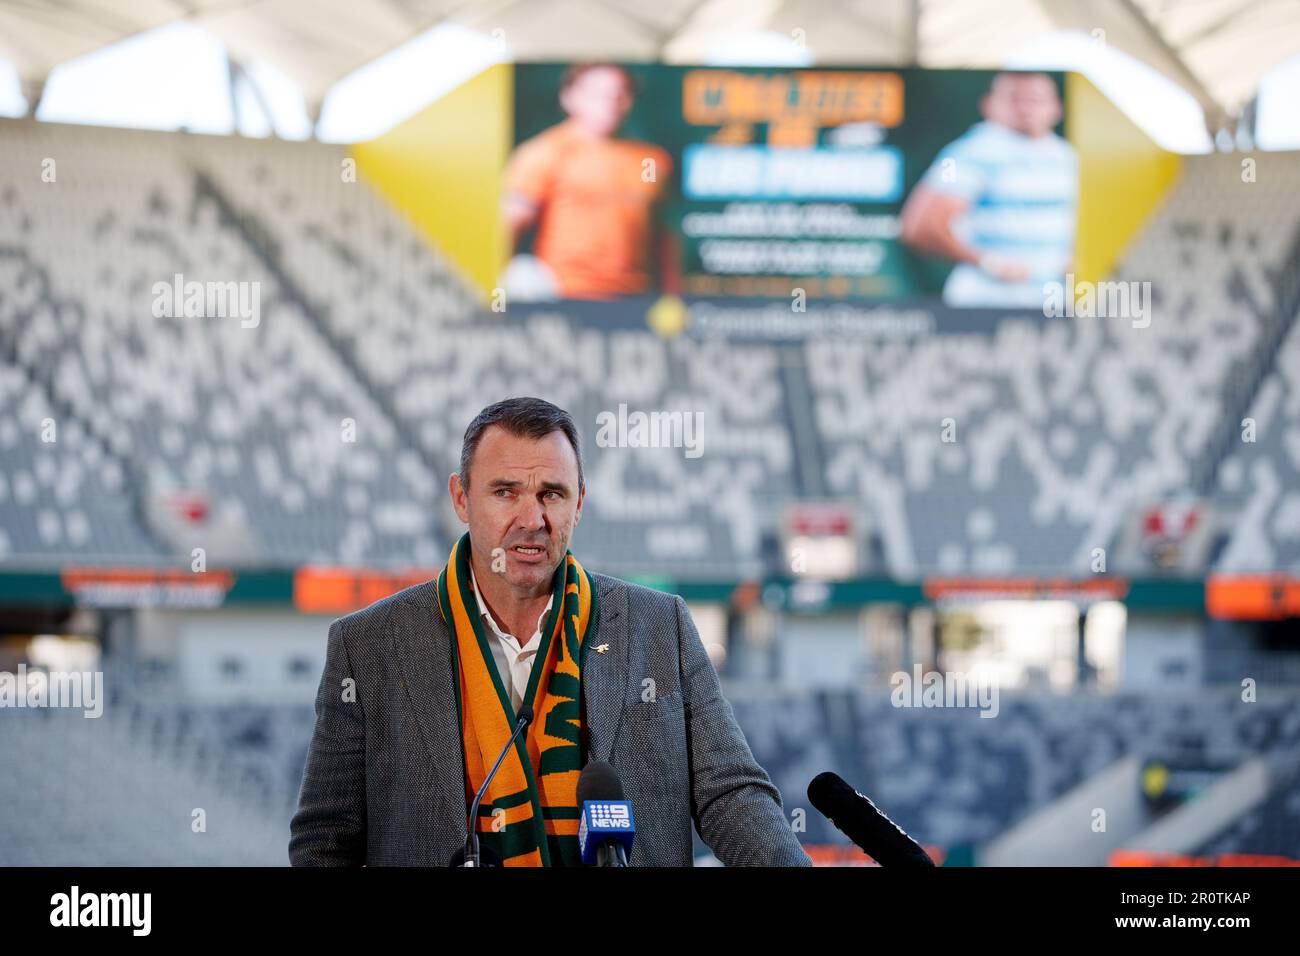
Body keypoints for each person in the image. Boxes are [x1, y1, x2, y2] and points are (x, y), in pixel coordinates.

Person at [289, 397, 809, 866]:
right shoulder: (369, 646)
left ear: (578, 502)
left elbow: (731, 794)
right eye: (505, 491)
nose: (531, 517)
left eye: (551, 494)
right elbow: (325, 842)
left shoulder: (660, 626)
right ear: (462, 499)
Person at [899, 71, 1077, 307]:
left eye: (1035, 99)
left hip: (1052, 303)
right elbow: (920, 227)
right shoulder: (970, 153)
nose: (1024, 108)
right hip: (986, 302)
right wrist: (989, 263)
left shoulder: (1068, 156)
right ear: (987, 105)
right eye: (1013, 99)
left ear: (1057, 107)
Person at [501, 64, 679, 300]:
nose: (610, 102)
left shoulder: (650, 161)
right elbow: (509, 225)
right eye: (599, 93)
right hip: (563, 298)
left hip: (634, 302)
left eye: (620, 92)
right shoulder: (544, 152)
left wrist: (675, 299)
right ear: (570, 97)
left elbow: (664, 238)